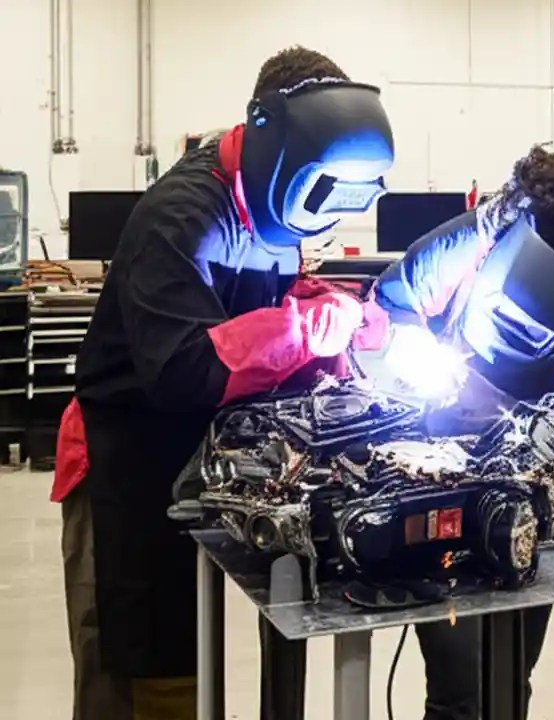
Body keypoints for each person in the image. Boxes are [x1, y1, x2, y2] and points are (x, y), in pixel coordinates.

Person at [52, 46, 394, 720]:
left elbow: (254, 302)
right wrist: (305, 330)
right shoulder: (179, 216)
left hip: (203, 460)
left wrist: (329, 309)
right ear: (272, 136)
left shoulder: (276, 203)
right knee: (141, 667)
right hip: (124, 462)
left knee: (199, 649)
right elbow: (182, 369)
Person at [371, 145, 554, 719]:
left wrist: (527, 436)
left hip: (533, 493)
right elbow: (389, 305)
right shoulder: (476, 239)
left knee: (512, 673)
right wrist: (416, 362)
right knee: (458, 683)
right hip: (439, 485)